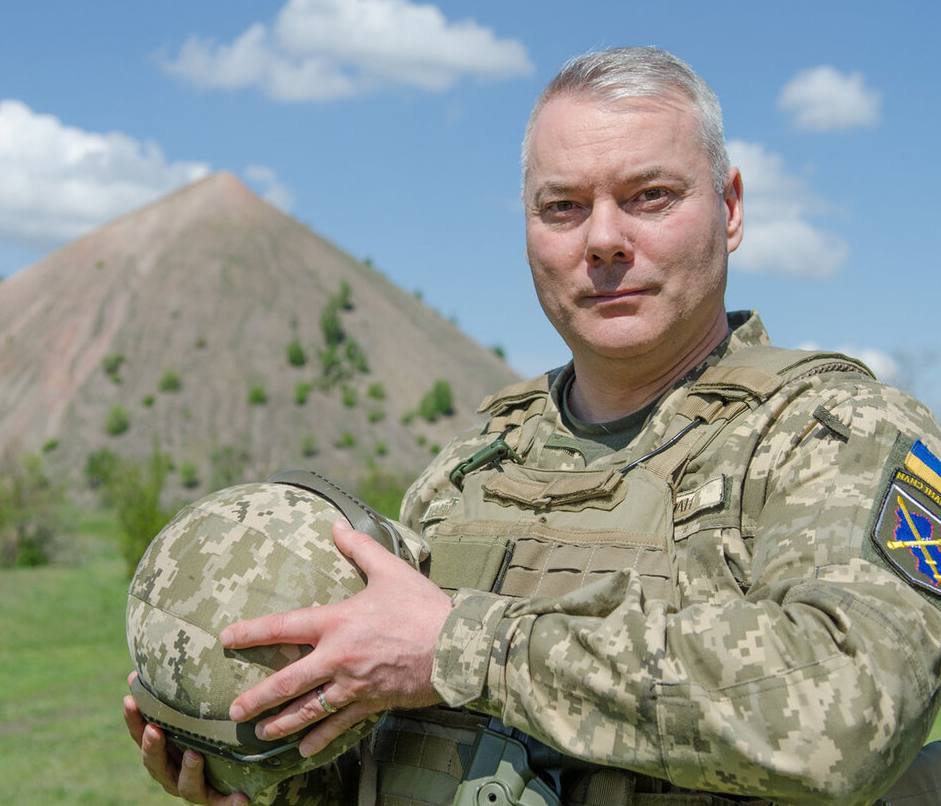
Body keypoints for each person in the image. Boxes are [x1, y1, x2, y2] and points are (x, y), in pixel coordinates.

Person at [124, 46, 941, 805]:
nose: (605, 240)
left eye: (649, 196)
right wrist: (266, 778)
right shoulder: (465, 477)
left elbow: (850, 711)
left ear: (728, 210)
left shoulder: (835, 435)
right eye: (563, 207)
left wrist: (461, 647)